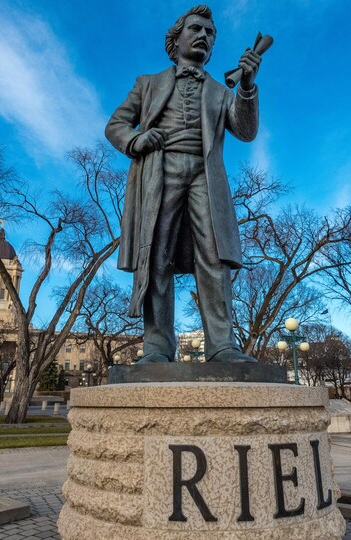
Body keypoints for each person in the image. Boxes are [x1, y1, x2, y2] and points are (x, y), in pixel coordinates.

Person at [105, 5, 262, 364]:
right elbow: (116, 124)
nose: (205, 36)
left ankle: (222, 345)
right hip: (160, 170)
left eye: (210, 33)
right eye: (197, 29)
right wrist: (135, 141)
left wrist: (248, 87)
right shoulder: (148, 83)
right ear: (177, 39)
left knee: (214, 257)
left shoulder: (221, 91)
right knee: (156, 255)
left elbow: (246, 131)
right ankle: (157, 347)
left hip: (206, 176)